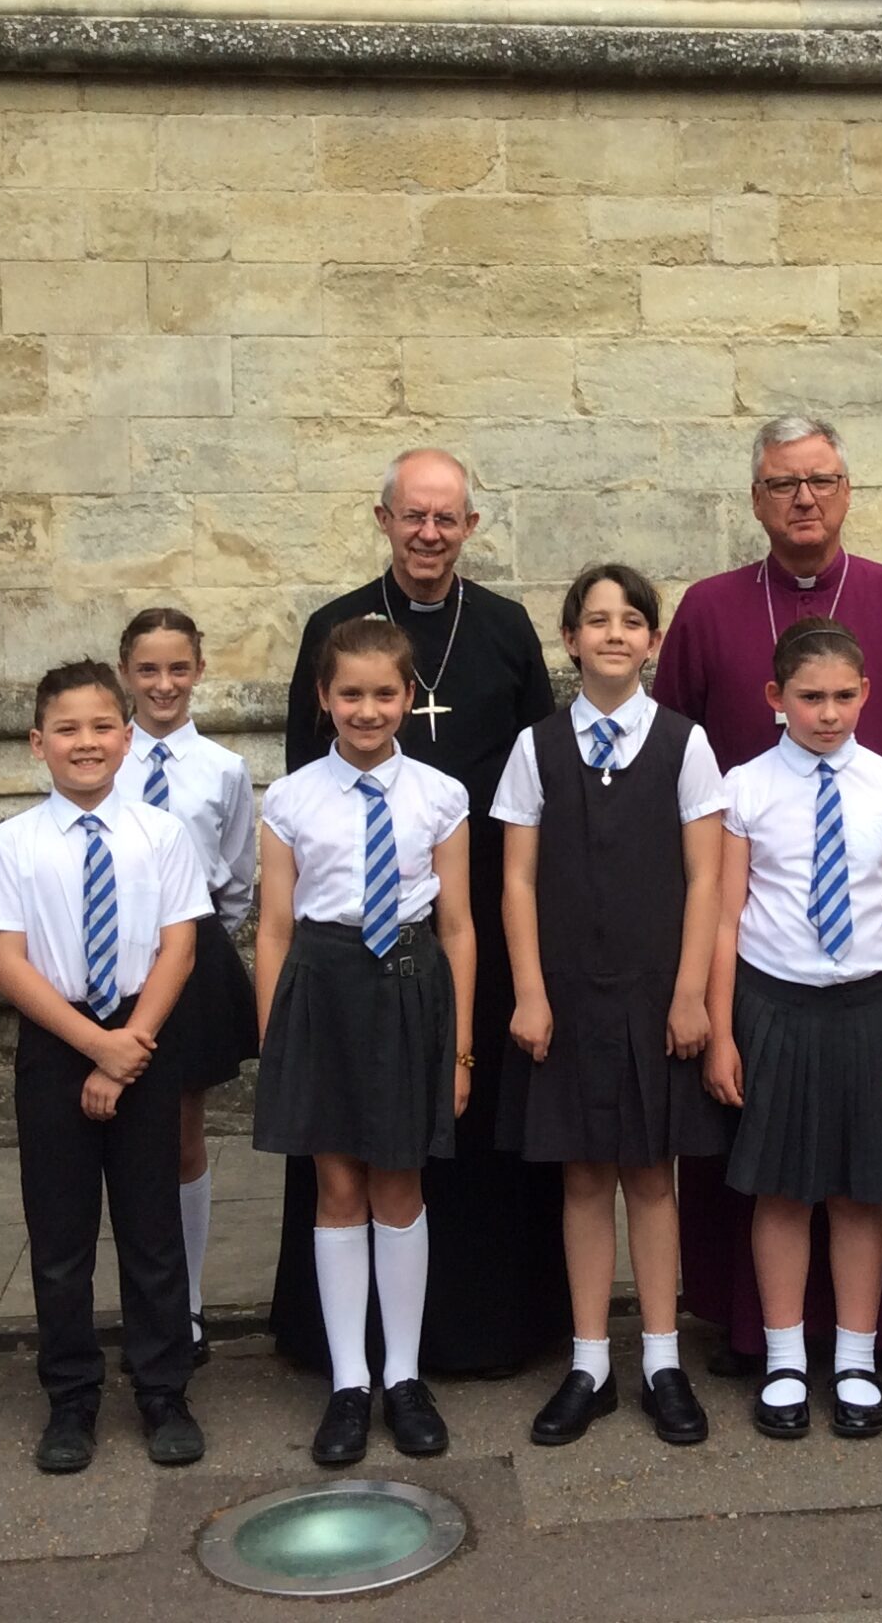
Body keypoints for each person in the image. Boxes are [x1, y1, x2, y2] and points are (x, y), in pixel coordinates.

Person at [654, 415, 882, 1378]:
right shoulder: (709, 609)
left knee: (872, 1164)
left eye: (822, 480)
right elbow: (677, 743)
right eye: (784, 483)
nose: (804, 498)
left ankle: (879, 1329)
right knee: (769, 1167)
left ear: (847, 491)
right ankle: (761, 1332)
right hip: (763, 939)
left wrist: (880, 817)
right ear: (756, 498)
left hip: (872, 941)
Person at [272, 449, 562, 1378]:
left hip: (470, 922)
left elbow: (535, 776)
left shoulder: (505, 628)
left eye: (446, 518)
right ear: (384, 519)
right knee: (344, 1162)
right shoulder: (336, 628)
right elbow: (304, 782)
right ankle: (345, 1354)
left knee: (465, 1132)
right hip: (350, 938)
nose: (428, 534)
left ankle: (479, 1330)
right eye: (413, 516)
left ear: (469, 527)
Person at [497, 565, 731, 1449]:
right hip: (564, 997)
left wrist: (690, 993)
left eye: (631, 621)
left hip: (654, 995)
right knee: (584, 1177)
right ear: (569, 640)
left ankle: (663, 1360)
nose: (614, 634)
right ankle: (590, 1363)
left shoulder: (684, 743)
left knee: (651, 1177)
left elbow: (706, 877)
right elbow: (517, 880)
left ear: (653, 641)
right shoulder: (537, 747)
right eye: (597, 621)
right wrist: (529, 991)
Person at [0, 661, 210, 1477]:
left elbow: (179, 947)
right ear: (38, 744)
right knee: (60, 1234)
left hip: (144, 1034)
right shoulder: (11, 845)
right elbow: (7, 961)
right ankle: (70, 1395)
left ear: (127, 738)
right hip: (57, 1040)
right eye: (66, 729)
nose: (86, 742)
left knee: (152, 1228)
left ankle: (163, 1389)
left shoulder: (161, 835)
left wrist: (128, 1042)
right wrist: (93, 1046)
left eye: (102, 726)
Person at [707, 620, 882, 1440]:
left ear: (866, 693)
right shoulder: (745, 788)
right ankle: (783, 1360)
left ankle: (854, 1358)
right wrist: (721, 1030)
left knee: (857, 1191)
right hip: (772, 1003)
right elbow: (725, 918)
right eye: (810, 698)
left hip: (866, 1006)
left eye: (844, 696)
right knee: (780, 1189)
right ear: (777, 698)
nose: (829, 714)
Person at [254, 618, 478, 1467]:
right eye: (350, 693)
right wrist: (276, 1039)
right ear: (324, 697)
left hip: (409, 987)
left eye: (385, 693)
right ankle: (349, 1382)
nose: (367, 709)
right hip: (324, 987)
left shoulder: (440, 796)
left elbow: (458, 927)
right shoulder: (291, 799)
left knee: (400, 1183)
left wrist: (460, 1049)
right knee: (338, 1185)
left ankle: (404, 1377)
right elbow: (274, 928)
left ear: (408, 697)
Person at [118, 607, 259, 1367]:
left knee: (180, 1131)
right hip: (113, 953)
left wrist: (193, 941)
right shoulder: (102, 754)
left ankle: (189, 1300)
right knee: (123, 1140)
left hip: (192, 951)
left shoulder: (223, 769)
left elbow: (235, 878)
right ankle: (142, 1296)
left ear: (199, 671)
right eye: (148, 669)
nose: (164, 684)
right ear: (125, 674)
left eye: (178, 668)